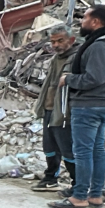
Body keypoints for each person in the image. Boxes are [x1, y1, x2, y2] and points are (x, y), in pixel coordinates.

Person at [49, 4, 105, 208]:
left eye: (85, 18)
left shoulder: (99, 46)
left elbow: (95, 77)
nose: (82, 22)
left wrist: (70, 79)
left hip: (89, 104)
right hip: (104, 103)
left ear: (95, 22)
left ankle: (80, 195)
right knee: (97, 150)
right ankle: (95, 195)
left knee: (83, 151)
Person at [33, 28, 79, 191]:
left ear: (71, 40)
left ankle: (77, 184)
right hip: (49, 107)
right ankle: (51, 177)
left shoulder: (76, 58)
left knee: (66, 147)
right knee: (49, 146)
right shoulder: (55, 59)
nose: (56, 45)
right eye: (53, 42)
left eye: (60, 41)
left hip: (64, 109)